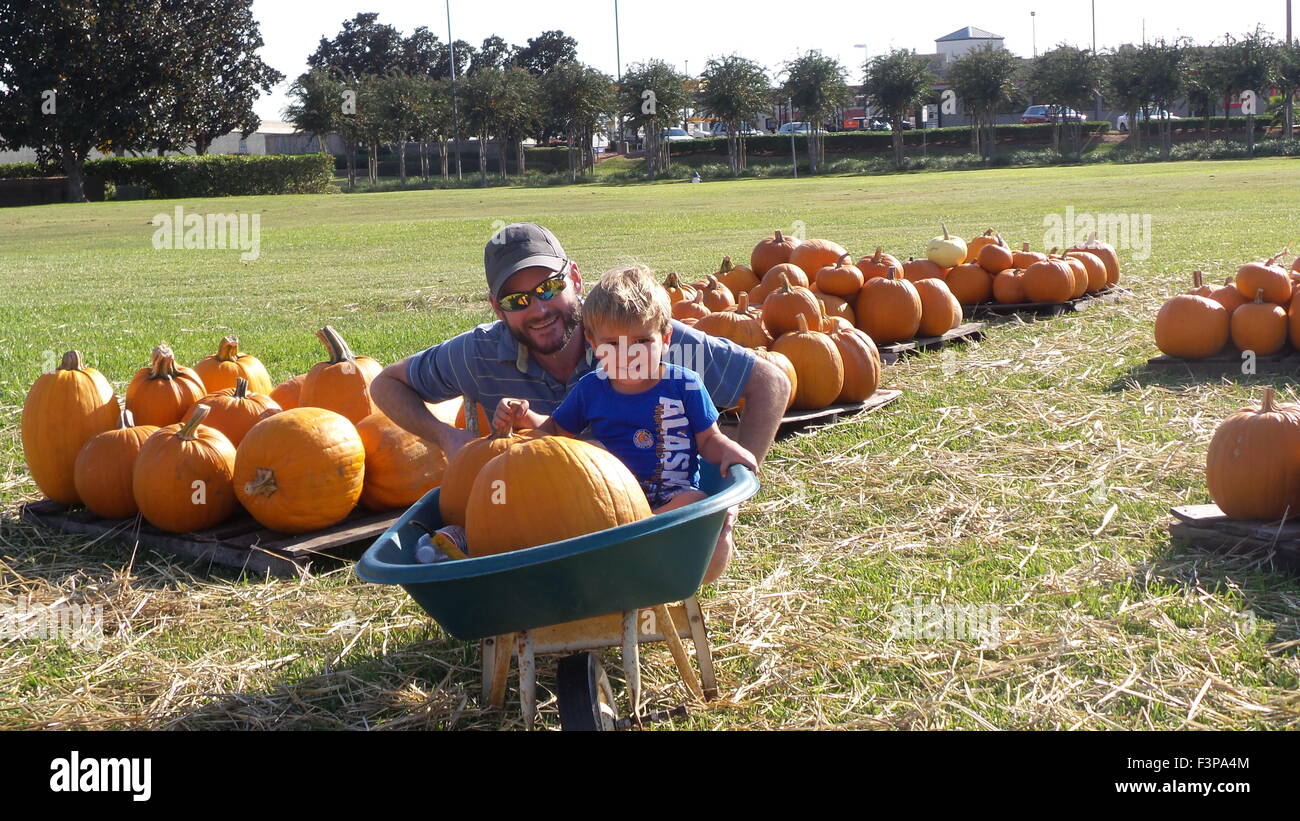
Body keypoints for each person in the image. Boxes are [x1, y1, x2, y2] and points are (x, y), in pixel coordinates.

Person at [370, 223, 791, 583]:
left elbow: (768, 382)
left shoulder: (638, 330)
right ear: (497, 308)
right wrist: (448, 437)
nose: (538, 309)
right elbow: (386, 384)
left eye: (549, 288)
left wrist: (730, 489)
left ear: (574, 277)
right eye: (517, 301)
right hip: (527, 528)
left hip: (635, 516)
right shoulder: (475, 355)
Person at [492, 265, 758, 525]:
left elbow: (709, 440)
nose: (628, 354)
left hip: (674, 499)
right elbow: (555, 431)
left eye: (641, 341)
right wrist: (525, 417)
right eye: (612, 344)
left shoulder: (684, 384)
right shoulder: (591, 389)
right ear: (593, 344)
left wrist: (728, 451)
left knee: (701, 503)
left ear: (665, 340)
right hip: (614, 497)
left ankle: (646, 525)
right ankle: (635, 527)